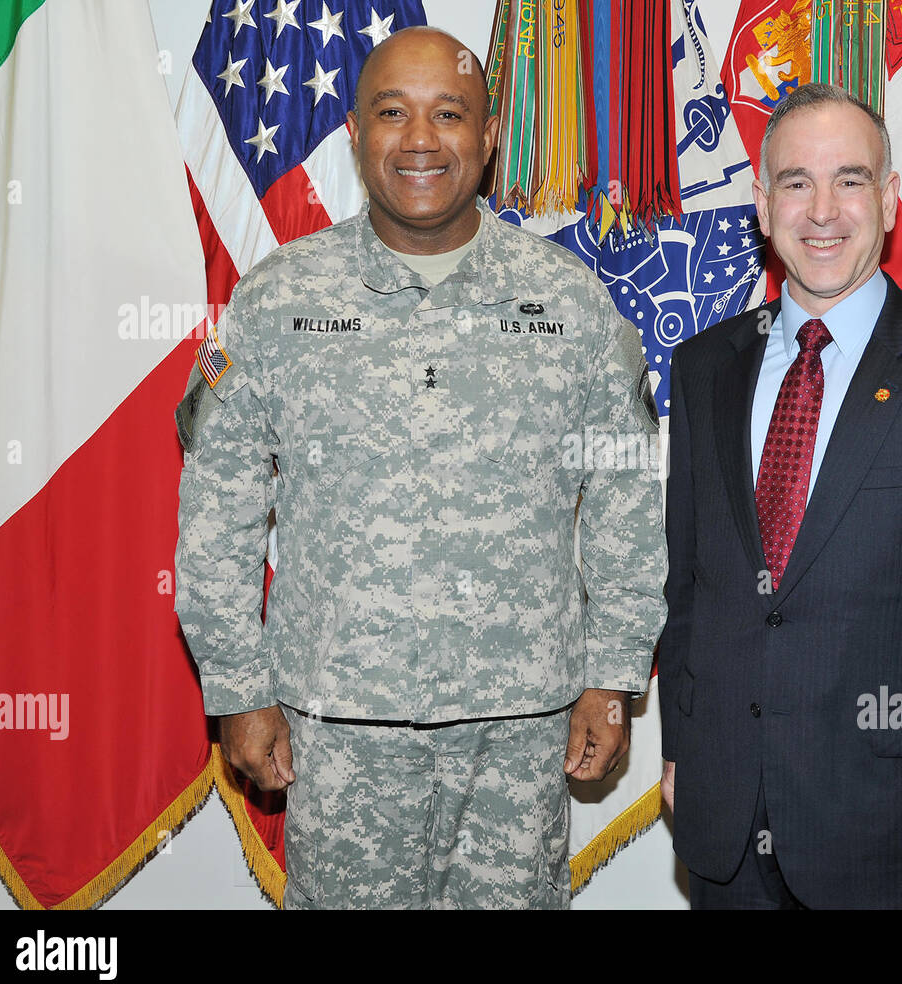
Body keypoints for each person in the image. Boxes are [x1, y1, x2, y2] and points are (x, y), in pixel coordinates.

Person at [173, 26, 665, 910]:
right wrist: (239, 689)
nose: (422, 140)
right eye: (393, 113)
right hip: (340, 729)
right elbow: (218, 514)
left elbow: (629, 502)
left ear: (486, 138)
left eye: (450, 114)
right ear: (356, 133)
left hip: (521, 733)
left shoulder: (572, 305)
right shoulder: (278, 300)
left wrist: (613, 676)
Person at [658, 82, 902, 909]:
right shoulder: (705, 369)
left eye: (849, 180)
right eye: (796, 183)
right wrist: (682, 744)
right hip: (725, 819)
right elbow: (690, 586)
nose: (823, 211)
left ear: (887, 202)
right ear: (762, 207)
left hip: (898, 831)